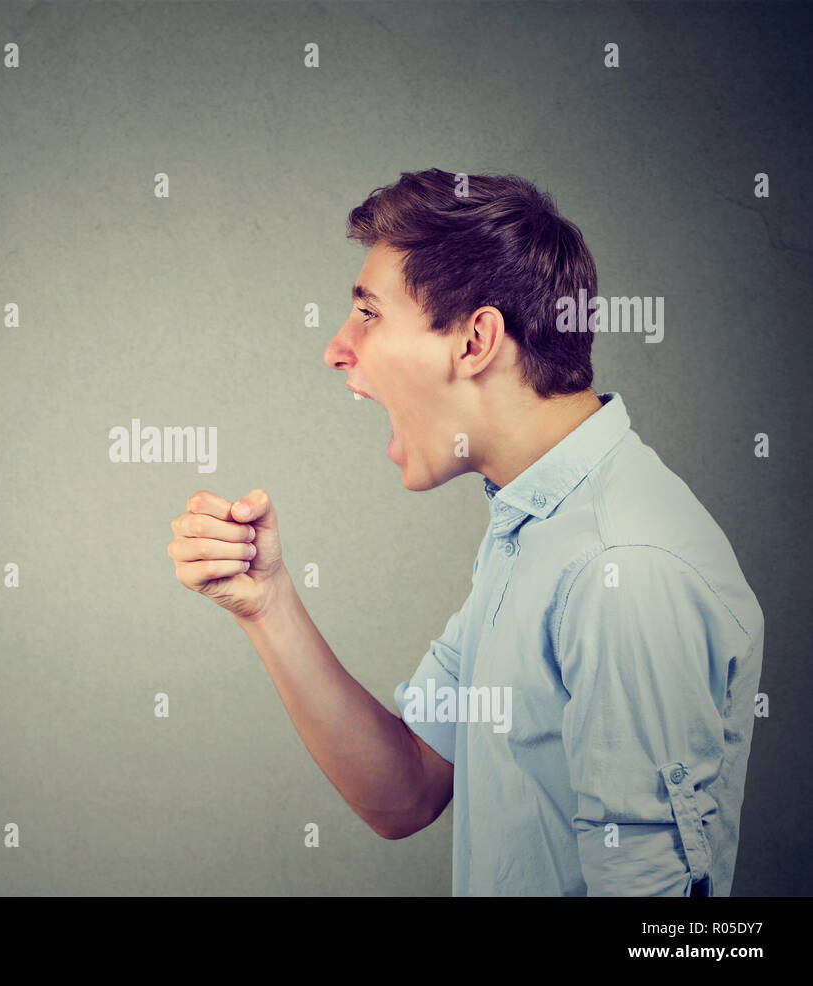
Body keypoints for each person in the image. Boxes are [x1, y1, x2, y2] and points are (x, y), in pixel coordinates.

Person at [166, 169, 763, 896]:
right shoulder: (533, 526)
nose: (337, 347)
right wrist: (268, 604)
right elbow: (408, 787)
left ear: (476, 340)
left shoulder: (622, 565)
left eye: (369, 314)